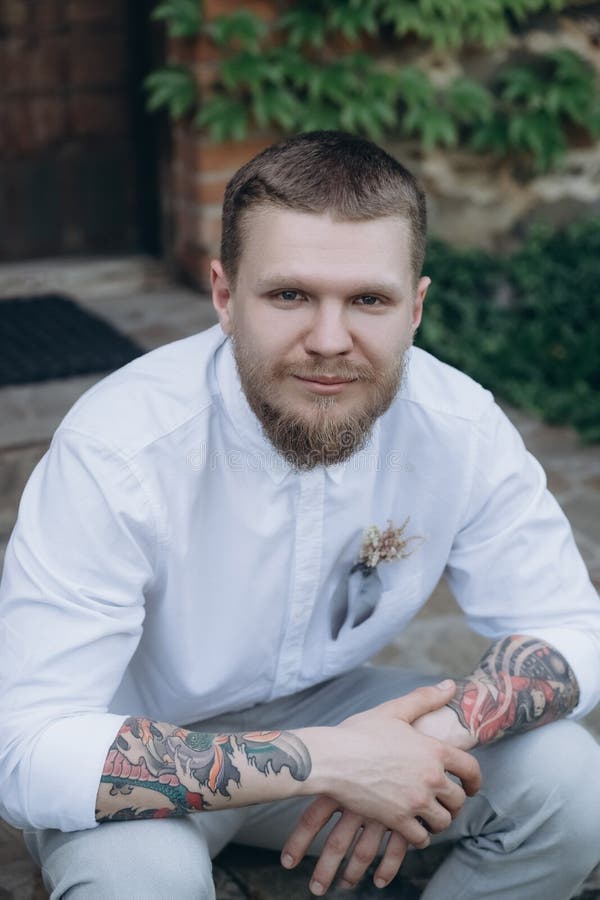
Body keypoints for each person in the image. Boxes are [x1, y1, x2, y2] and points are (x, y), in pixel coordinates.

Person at [1, 131, 599, 900]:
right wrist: (333, 761)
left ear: (415, 308)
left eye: (368, 300)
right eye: (289, 295)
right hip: (143, 752)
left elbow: (572, 631)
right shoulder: (120, 449)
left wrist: (420, 745)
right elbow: (26, 748)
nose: (328, 340)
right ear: (223, 295)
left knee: (571, 785)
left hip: (340, 710)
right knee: (138, 886)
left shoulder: (460, 428)